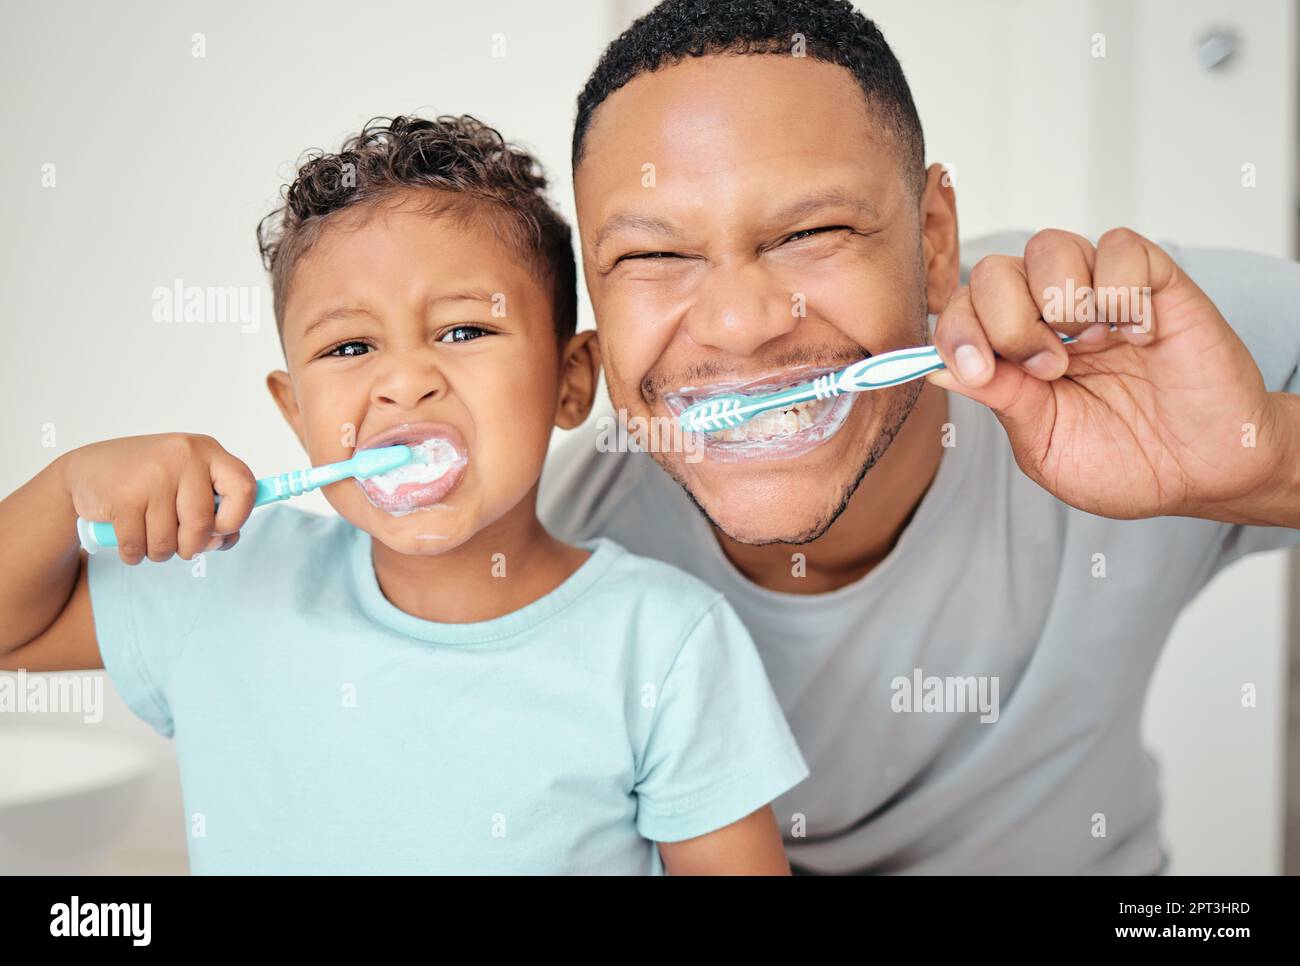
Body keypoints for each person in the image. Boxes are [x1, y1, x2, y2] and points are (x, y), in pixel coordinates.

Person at [539, 0, 1300, 873]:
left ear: (934, 239)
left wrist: (1269, 458)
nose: (743, 324)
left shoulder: (1117, 349)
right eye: (651, 258)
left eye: (810, 232)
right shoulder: (560, 561)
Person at [0, 115, 809, 874]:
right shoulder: (224, 580)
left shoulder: (664, 646)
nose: (403, 382)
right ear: (296, 412)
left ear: (570, 382)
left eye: (464, 331)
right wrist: (67, 481)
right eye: (350, 346)